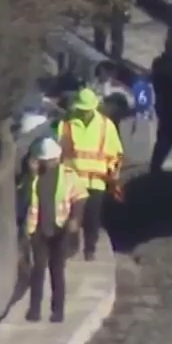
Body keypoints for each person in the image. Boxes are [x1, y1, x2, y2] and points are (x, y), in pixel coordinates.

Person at [22, 137, 89, 323]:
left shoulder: (68, 176)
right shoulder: (34, 177)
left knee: (57, 270)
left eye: (51, 160)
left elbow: (81, 196)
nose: (48, 164)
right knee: (38, 269)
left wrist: (75, 218)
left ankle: (57, 311)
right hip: (38, 230)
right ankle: (34, 310)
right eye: (45, 161)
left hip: (60, 230)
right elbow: (26, 198)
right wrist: (30, 174)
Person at [58, 88, 125, 261]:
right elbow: (58, 153)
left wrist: (113, 176)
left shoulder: (105, 126)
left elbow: (116, 153)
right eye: (81, 110)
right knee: (72, 216)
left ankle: (90, 249)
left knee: (92, 218)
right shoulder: (66, 125)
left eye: (87, 110)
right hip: (72, 180)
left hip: (97, 181)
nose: (84, 113)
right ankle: (70, 248)